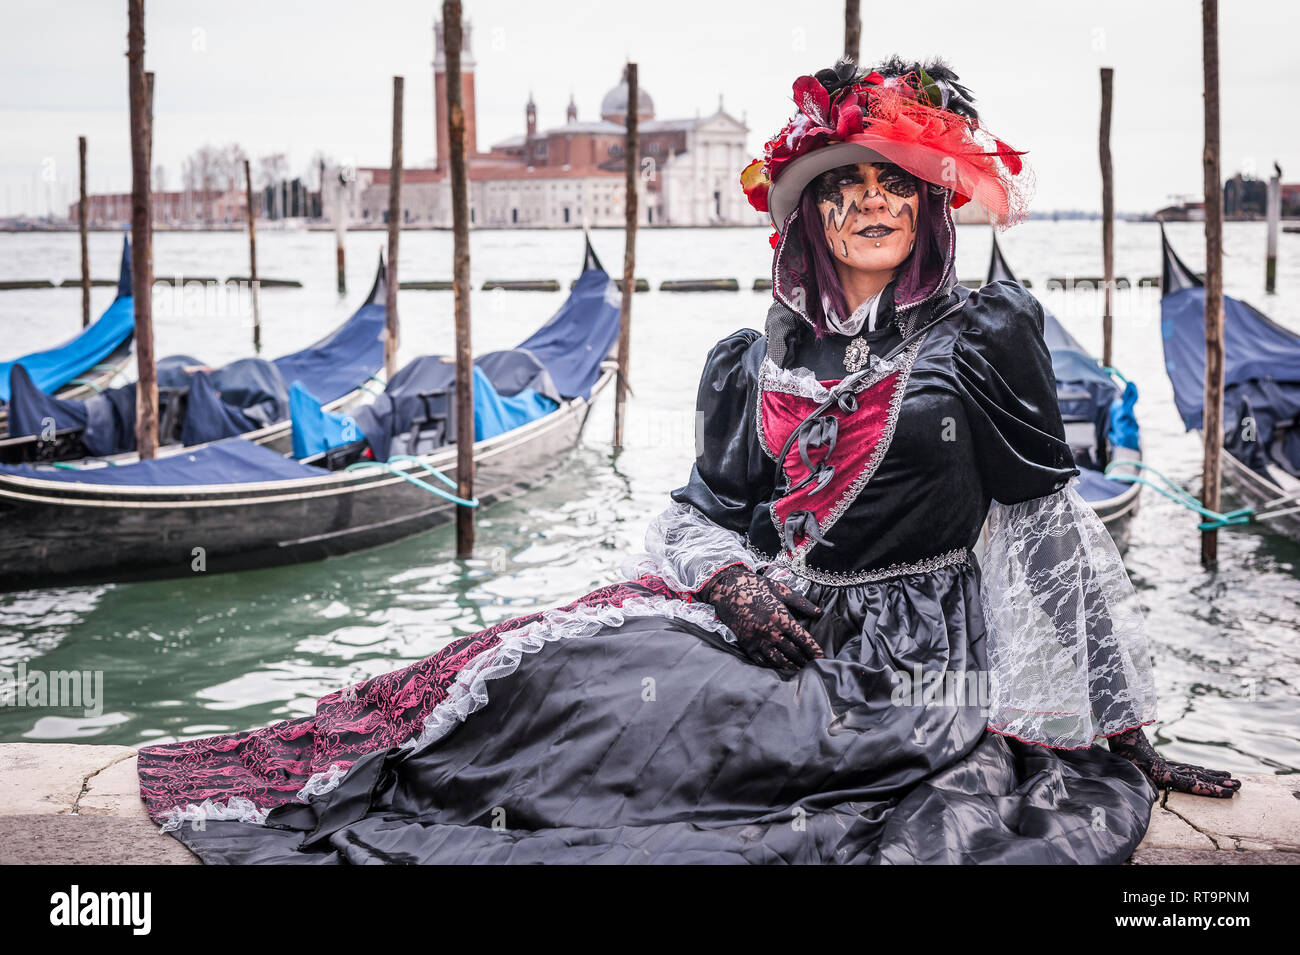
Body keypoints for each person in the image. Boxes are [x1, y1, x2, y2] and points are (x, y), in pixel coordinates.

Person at [136, 56, 1239, 865]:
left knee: (694, 738)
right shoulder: (747, 358)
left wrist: (1120, 732)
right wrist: (729, 582)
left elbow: (1047, 538)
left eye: (893, 187)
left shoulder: (988, 335)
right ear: (804, 217)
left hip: (912, 665)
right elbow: (702, 510)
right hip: (770, 617)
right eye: (842, 188)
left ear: (928, 210)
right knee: (550, 673)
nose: (867, 204)